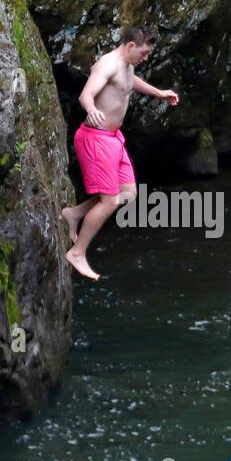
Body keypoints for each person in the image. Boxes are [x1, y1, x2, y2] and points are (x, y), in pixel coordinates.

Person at [61, 26, 179, 281]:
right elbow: (86, 94)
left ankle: (74, 214)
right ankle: (77, 252)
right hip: (95, 139)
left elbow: (129, 84)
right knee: (110, 201)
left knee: (128, 193)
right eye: (144, 53)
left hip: (113, 139)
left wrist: (159, 93)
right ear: (130, 46)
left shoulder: (126, 66)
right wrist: (91, 108)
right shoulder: (108, 64)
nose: (145, 58)